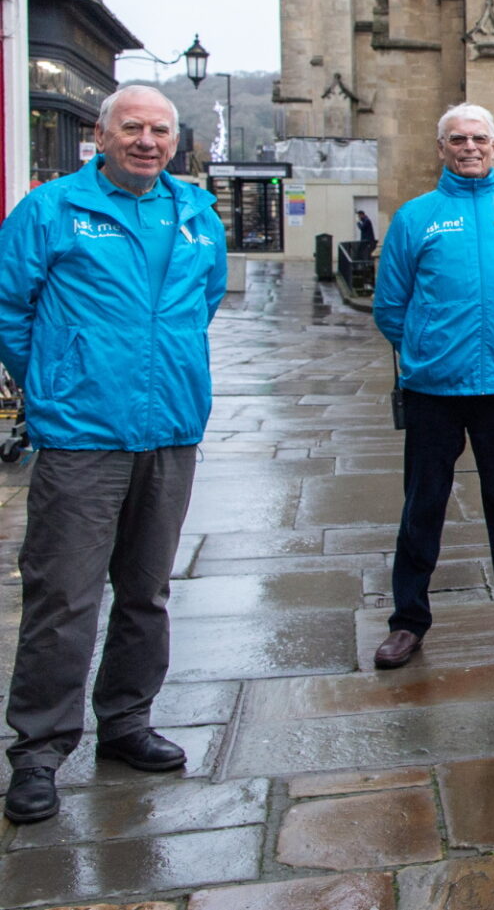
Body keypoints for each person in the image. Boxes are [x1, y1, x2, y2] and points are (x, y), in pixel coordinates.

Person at [0, 87, 227, 825]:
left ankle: (126, 721)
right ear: (101, 135)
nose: (147, 140)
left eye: (160, 129)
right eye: (132, 127)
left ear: (175, 139)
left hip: (169, 430)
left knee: (146, 589)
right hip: (82, 435)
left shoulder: (195, 213)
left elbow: (205, 301)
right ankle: (37, 751)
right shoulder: (50, 209)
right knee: (63, 595)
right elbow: (11, 307)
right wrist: (55, 381)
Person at [371, 104, 494, 671]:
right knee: (422, 506)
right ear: (442, 148)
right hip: (434, 388)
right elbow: (390, 305)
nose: (469, 147)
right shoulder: (416, 217)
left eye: (479, 138)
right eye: (458, 139)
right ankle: (407, 622)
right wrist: (422, 353)